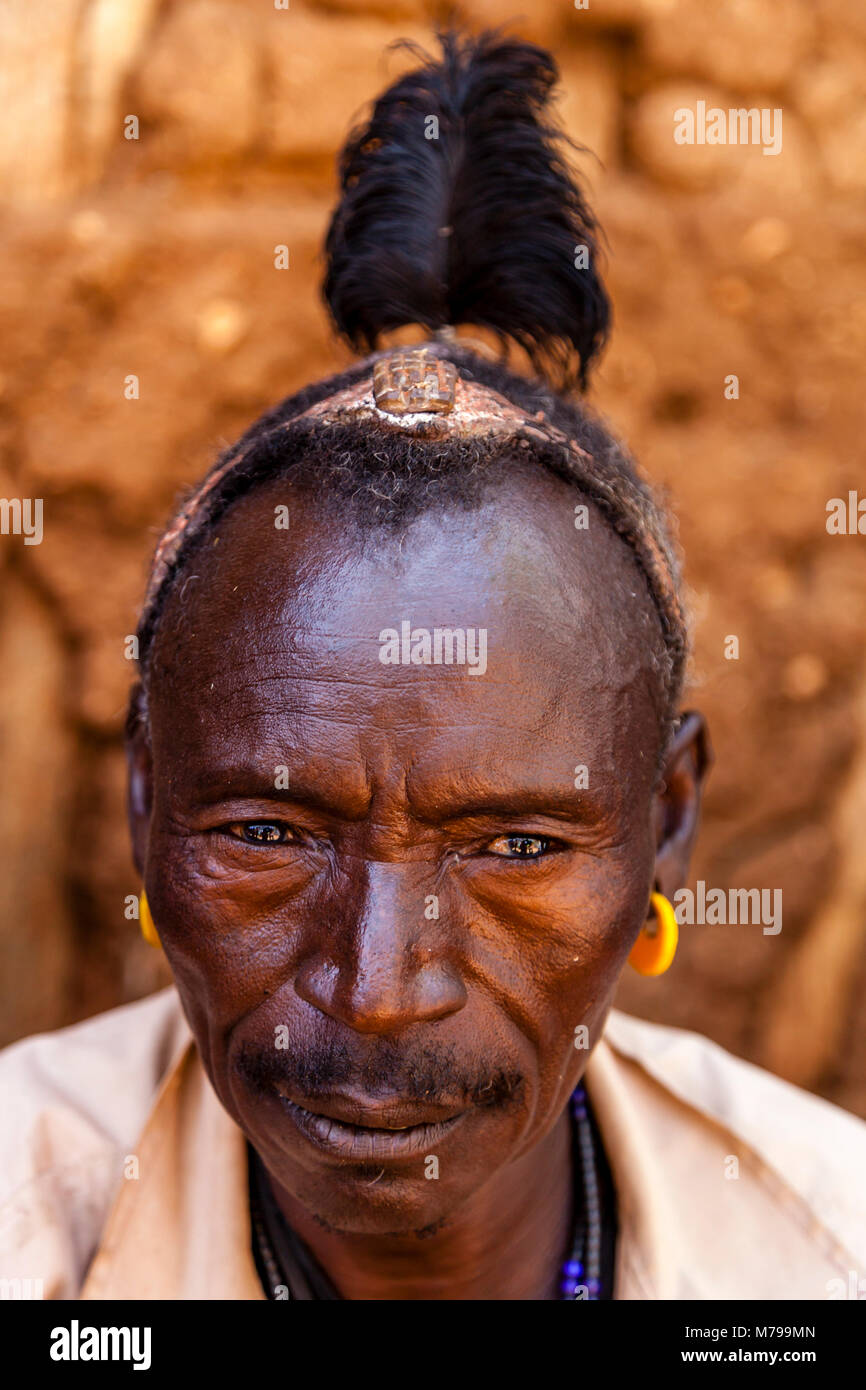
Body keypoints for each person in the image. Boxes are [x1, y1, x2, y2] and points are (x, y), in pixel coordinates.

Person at [2, 29, 864, 1303]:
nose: (380, 987)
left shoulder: (820, 1248)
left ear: (667, 822)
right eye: (267, 831)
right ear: (142, 800)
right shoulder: (33, 1230)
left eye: (513, 845)